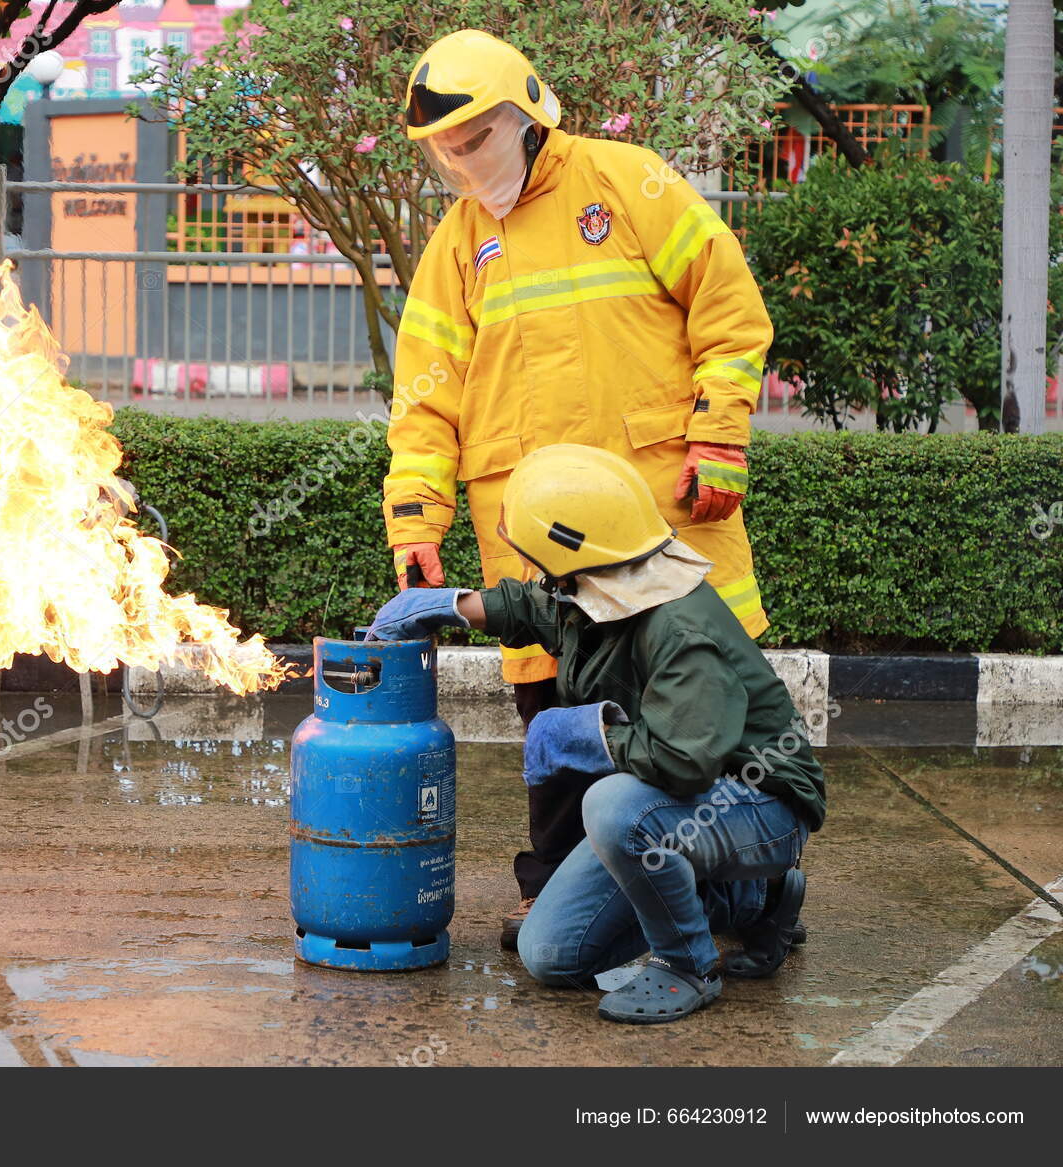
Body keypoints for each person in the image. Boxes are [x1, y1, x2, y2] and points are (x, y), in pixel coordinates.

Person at [383, 28, 775, 949]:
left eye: (472, 139)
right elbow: (425, 402)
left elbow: (729, 308)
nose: (458, 160)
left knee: (698, 720)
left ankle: (749, 893)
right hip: (538, 550)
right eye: (444, 148)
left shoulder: (626, 182)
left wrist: (720, 433)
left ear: (526, 117)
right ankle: (560, 897)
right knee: (557, 725)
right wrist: (415, 517)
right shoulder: (456, 246)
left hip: (663, 532)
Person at [366, 445, 824, 1023]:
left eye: (540, 560)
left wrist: (586, 733)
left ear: (573, 554)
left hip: (756, 803)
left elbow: (683, 762)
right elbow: (538, 607)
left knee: (614, 807)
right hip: (684, 805)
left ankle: (688, 965)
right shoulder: (605, 584)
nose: (537, 574)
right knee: (550, 955)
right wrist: (448, 606)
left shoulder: (679, 631)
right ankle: (753, 900)